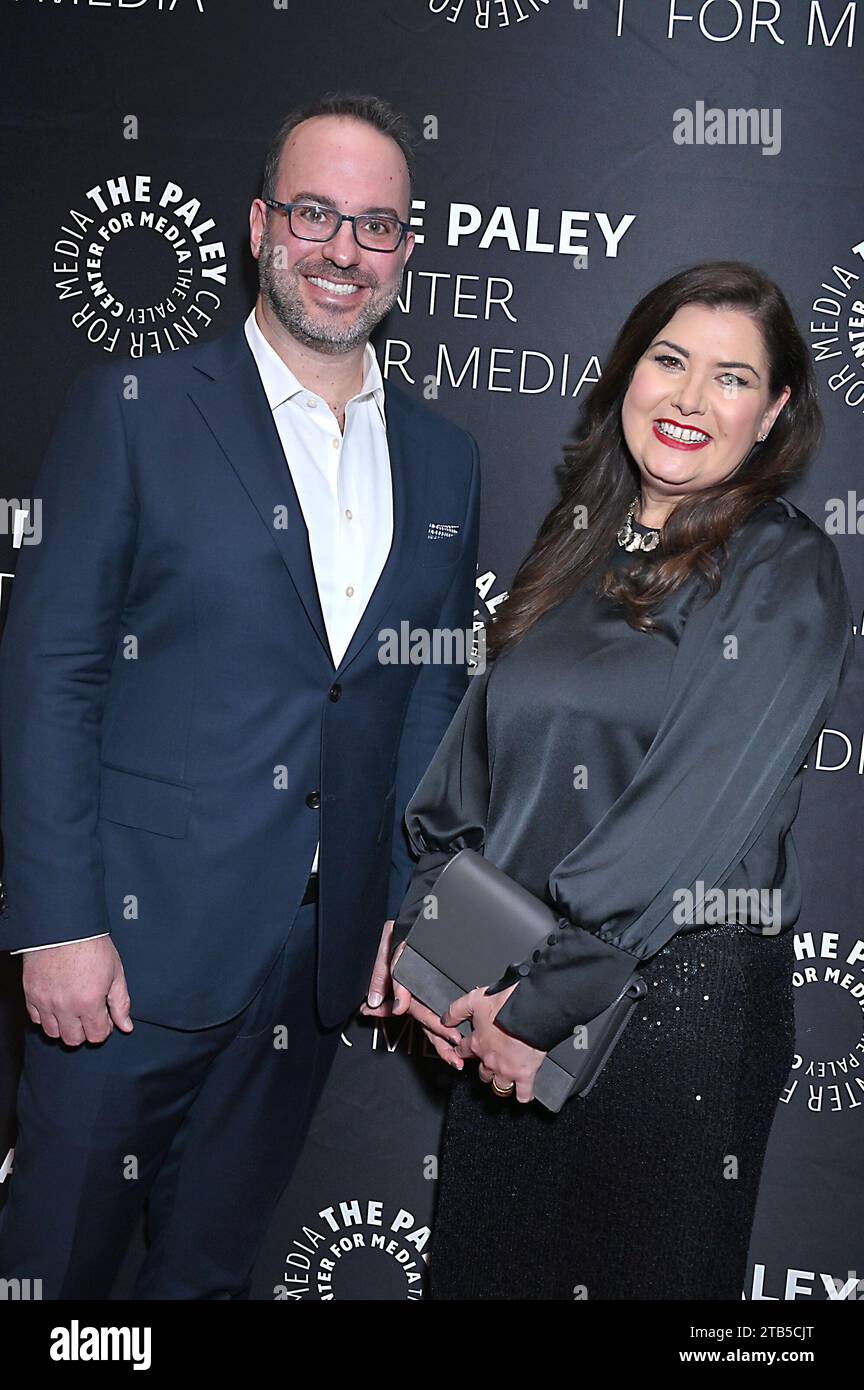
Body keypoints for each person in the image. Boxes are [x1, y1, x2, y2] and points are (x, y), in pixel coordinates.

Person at [0, 93, 480, 1299]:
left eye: (377, 225)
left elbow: (418, 695)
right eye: (316, 212)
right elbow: (49, 670)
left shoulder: (444, 458)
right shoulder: (139, 411)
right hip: (126, 954)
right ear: (260, 223)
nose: (342, 249)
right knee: (53, 1275)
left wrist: (398, 903)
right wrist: (56, 918)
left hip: (307, 971)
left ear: (407, 251)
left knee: (207, 1279)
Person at [381, 262, 854, 1300]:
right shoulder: (576, 545)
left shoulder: (785, 571)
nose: (688, 398)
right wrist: (436, 941)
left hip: (673, 1015)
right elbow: (470, 770)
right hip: (508, 990)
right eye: (670, 360)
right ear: (627, 374)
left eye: (732, 378)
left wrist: (543, 998)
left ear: (774, 412)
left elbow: (692, 813)